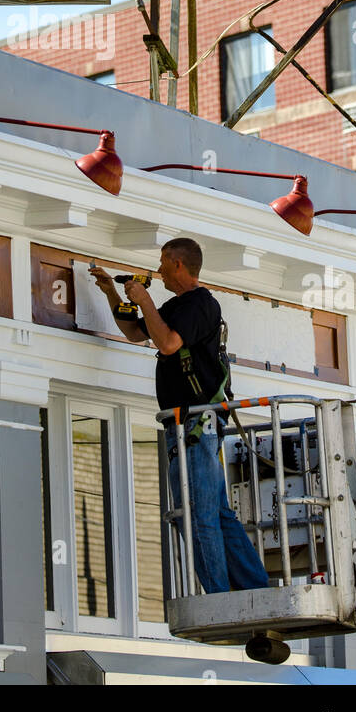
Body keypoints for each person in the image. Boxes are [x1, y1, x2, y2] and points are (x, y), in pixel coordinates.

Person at [90, 238, 269, 595]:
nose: (157, 271)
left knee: (197, 514)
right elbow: (136, 333)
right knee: (216, 513)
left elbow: (169, 344)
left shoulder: (201, 304)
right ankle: (254, 588)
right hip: (192, 427)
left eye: (161, 264)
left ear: (176, 264)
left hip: (194, 426)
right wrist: (113, 294)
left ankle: (220, 597)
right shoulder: (175, 306)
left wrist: (145, 300)